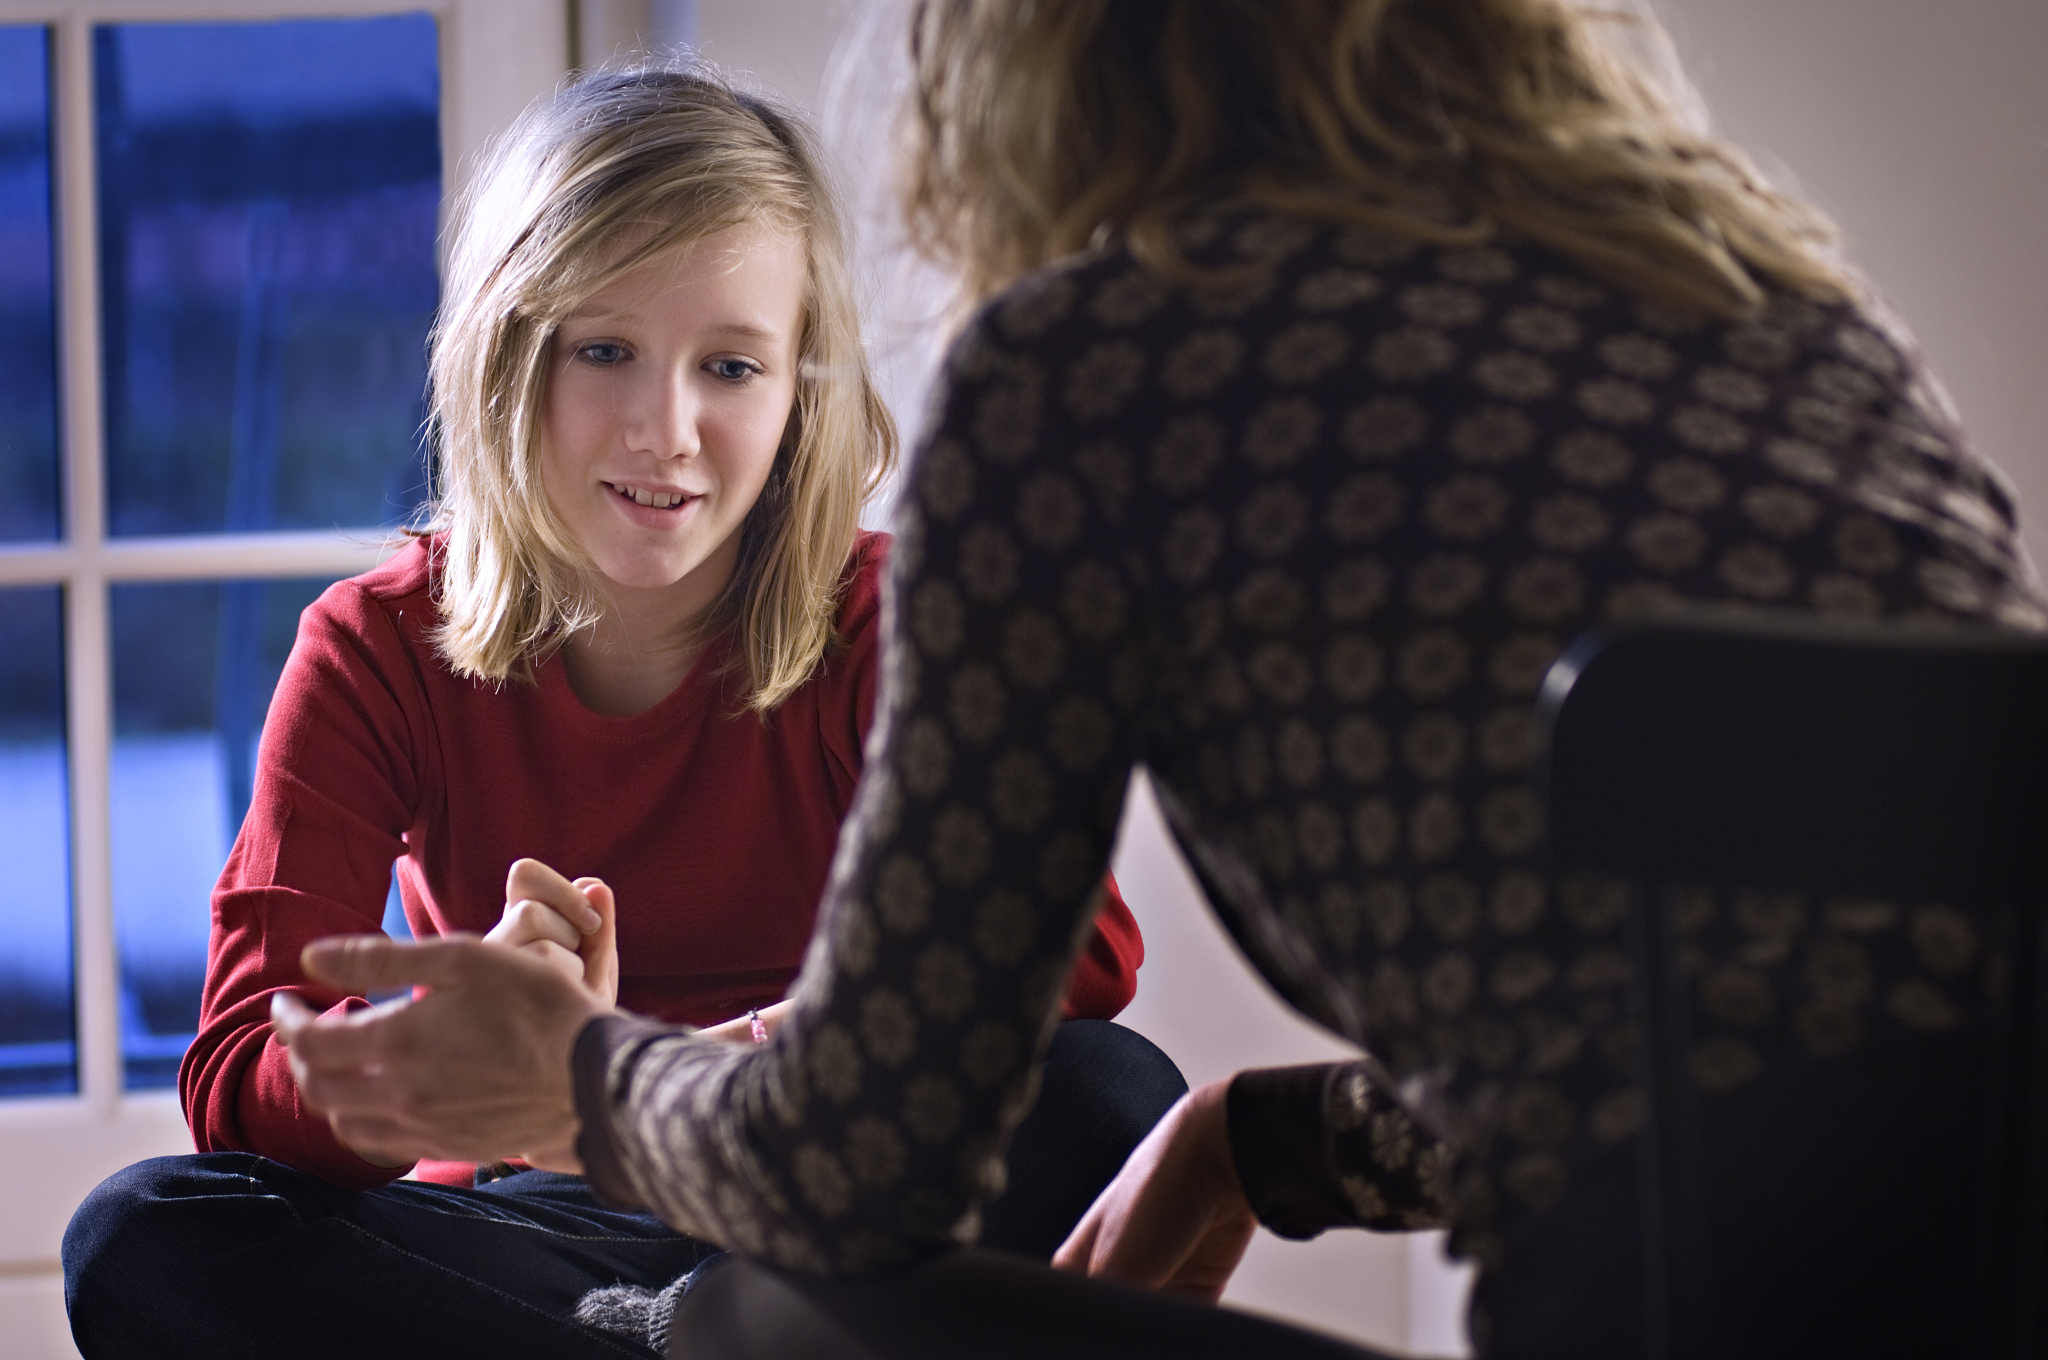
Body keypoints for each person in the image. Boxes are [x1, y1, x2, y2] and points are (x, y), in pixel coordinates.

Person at [262, 2, 2048, 1356]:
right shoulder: (1773, 302)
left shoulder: (1097, 371)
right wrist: (1267, 1140)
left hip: (1647, 1310)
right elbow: (1790, 1023)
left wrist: (581, 1074)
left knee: (756, 1324)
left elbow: (865, 1174)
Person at [61, 63, 1184, 1360]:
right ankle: (680, 1341)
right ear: (506, 355)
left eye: (730, 366)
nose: (667, 430)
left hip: (830, 1191)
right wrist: (449, 1052)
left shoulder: (899, 621)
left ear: (797, 392)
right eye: (606, 351)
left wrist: (670, 1074)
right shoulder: (373, 648)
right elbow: (236, 1078)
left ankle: (697, 1335)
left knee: (1111, 1095)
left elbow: (1079, 951)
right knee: (145, 1232)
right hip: (532, 1232)